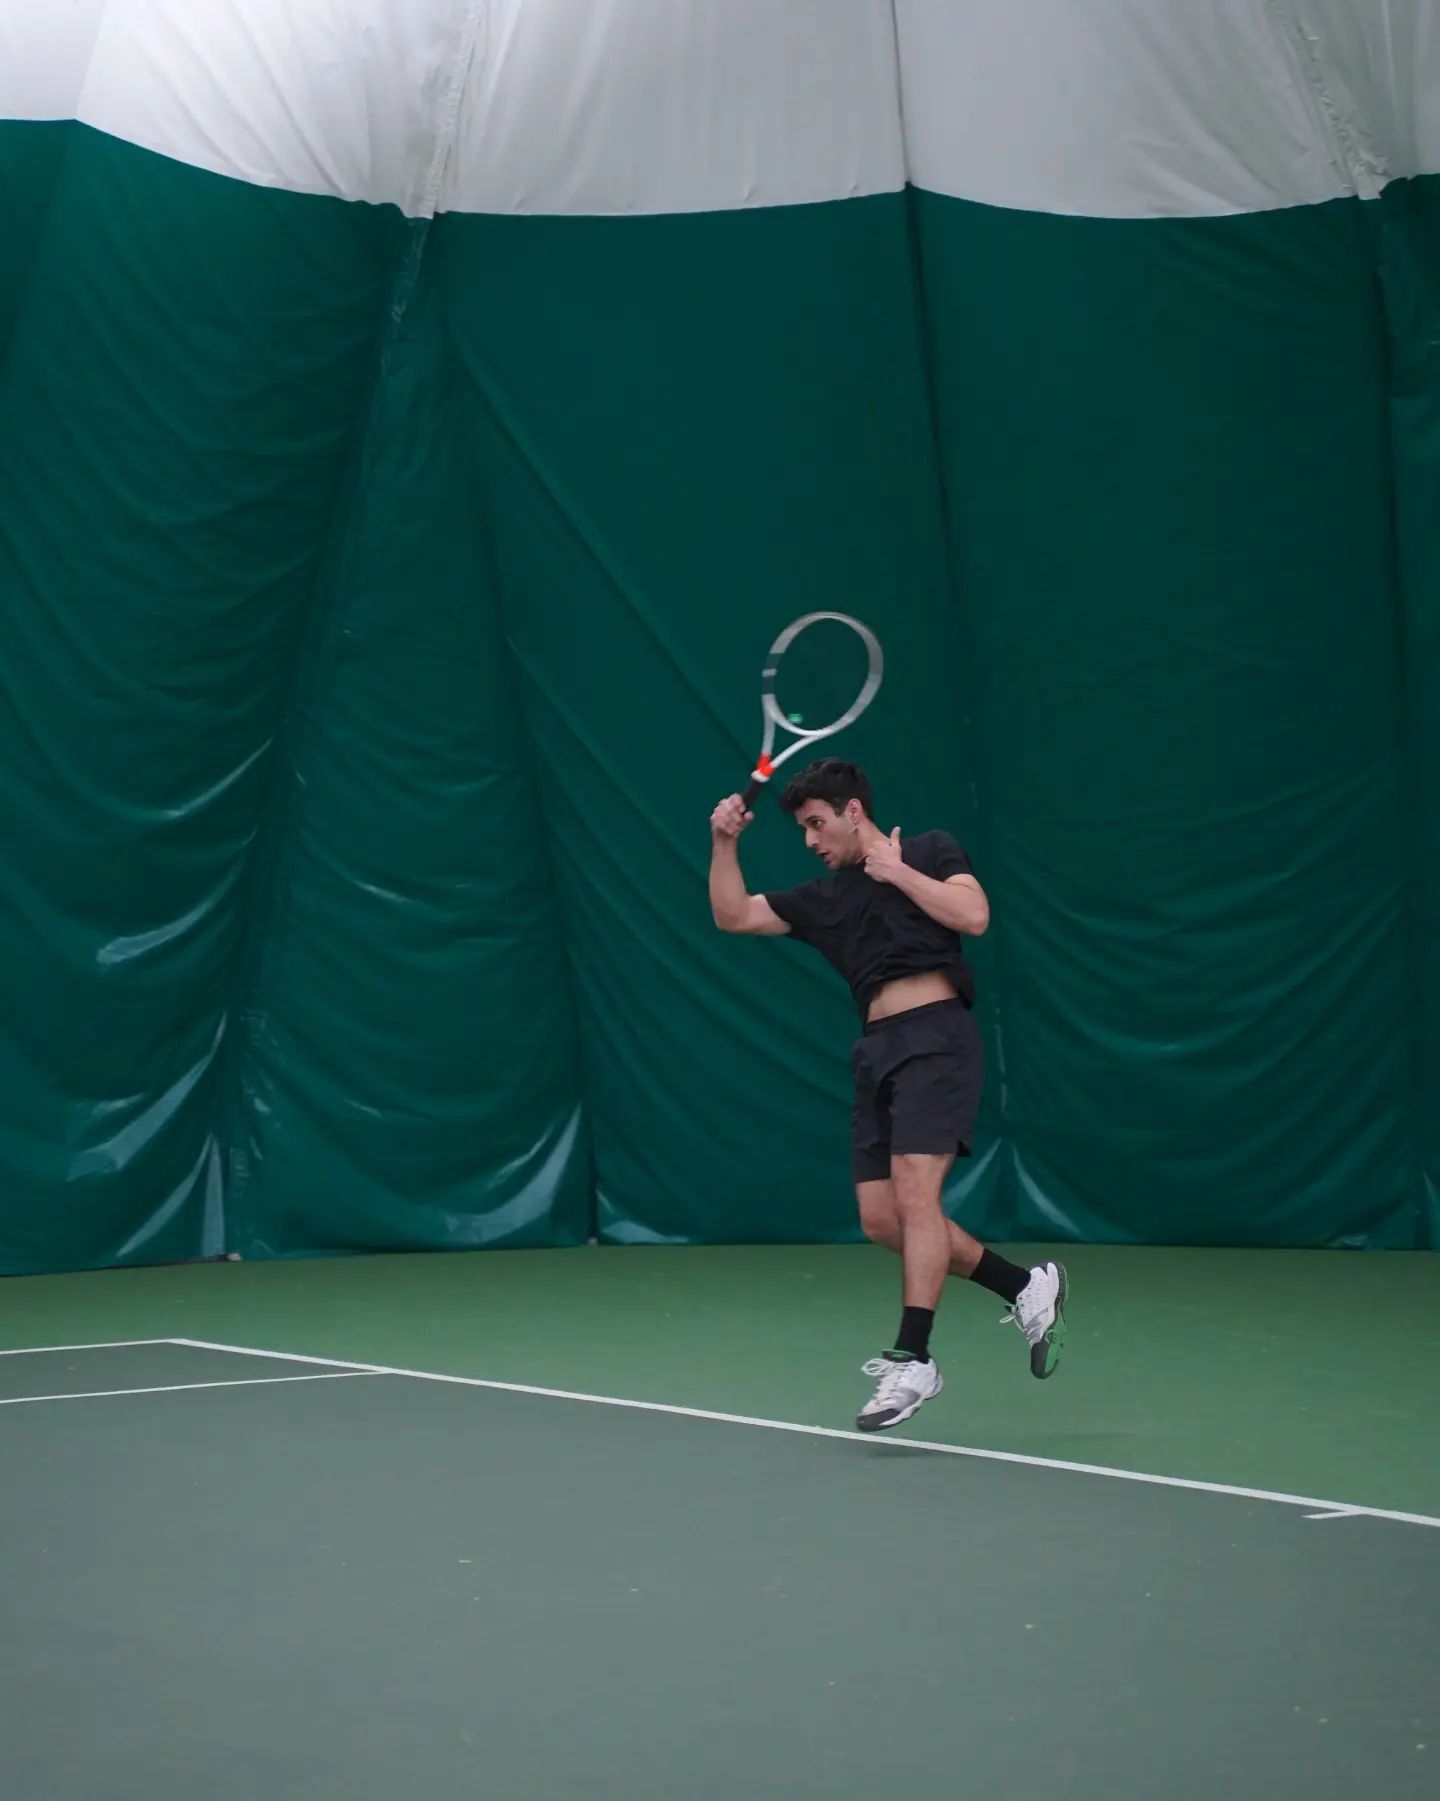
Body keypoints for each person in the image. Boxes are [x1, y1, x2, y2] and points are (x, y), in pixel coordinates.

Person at [708, 756, 1067, 1432]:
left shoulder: (929, 849)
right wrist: (725, 841)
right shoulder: (823, 897)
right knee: (882, 1218)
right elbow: (733, 915)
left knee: (915, 1194)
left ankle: (914, 1356)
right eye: (802, 831)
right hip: (876, 1053)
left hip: (936, 1037)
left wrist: (898, 872)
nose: (812, 840)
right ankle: (1024, 1286)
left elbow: (976, 913)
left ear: (853, 811)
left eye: (817, 824)